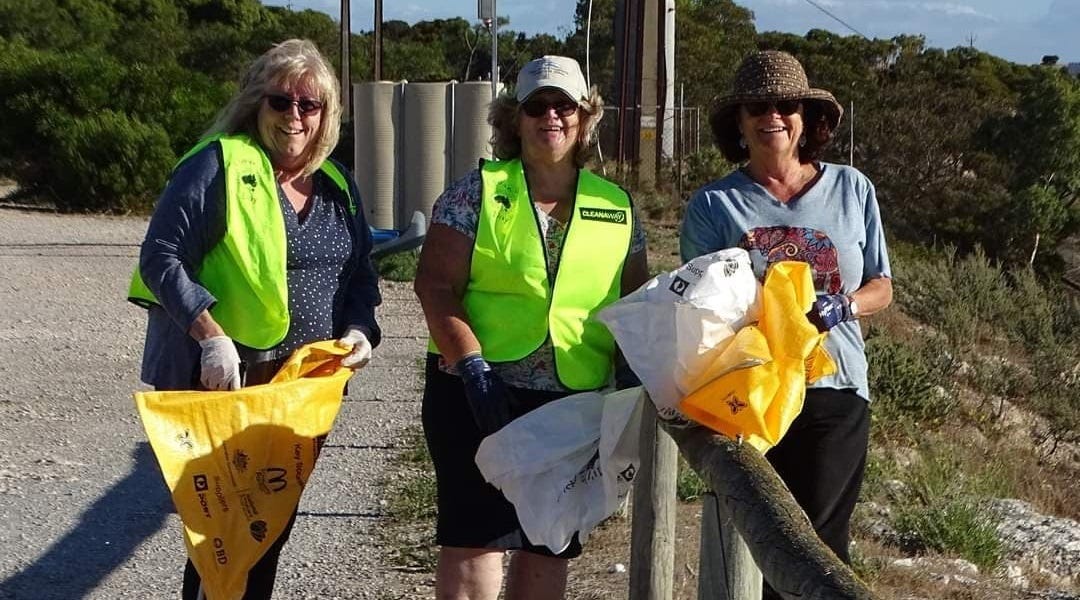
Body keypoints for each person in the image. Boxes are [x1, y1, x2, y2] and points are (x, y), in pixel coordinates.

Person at [128, 39, 381, 599]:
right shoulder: (216, 164)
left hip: (299, 388)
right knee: (221, 533)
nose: (295, 116)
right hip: (222, 381)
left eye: (309, 104)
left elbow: (360, 272)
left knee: (269, 530)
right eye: (280, 101)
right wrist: (210, 335)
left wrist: (362, 329)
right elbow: (160, 255)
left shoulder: (338, 185)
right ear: (255, 104)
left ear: (327, 113)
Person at [414, 55, 649, 600]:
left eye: (564, 106)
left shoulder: (616, 206)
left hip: (573, 402)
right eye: (536, 106)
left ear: (584, 118)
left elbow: (635, 301)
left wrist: (636, 382)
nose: (551, 117)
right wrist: (471, 366)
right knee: (476, 540)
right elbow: (435, 285)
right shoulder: (476, 192)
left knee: (549, 542)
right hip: (478, 393)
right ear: (513, 120)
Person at [679, 50, 893, 597]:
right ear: (739, 121)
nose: (772, 115)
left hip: (834, 390)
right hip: (752, 395)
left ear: (806, 117)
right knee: (766, 539)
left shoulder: (852, 189)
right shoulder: (714, 204)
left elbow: (880, 285)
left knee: (818, 544)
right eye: (758, 105)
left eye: (786, 104)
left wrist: (844, 306)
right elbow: (696, 302)